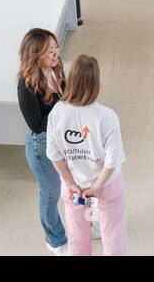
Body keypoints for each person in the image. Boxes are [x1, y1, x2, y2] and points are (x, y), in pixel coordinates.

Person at [46, 54, 127, 256]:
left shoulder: (57, 112)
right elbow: (112, 160)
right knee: (114, 238)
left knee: (77, 240)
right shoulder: (107, 117)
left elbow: (54, 155)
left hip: (74, 187)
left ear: (71, 80)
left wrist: (71, 183)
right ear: (95, 84)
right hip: (107, 186)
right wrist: (98, 187)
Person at [17, 28, 69, 255]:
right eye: (49, 51)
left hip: (64, 139)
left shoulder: (57, 69)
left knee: (76, 184)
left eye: (56, 47)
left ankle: (84, 222)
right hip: (42, 146)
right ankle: (55, 240)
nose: (56, 53)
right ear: (35, 54)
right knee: (51, 194)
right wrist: (64, 103)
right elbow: (36, 125)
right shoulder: (26, 84)